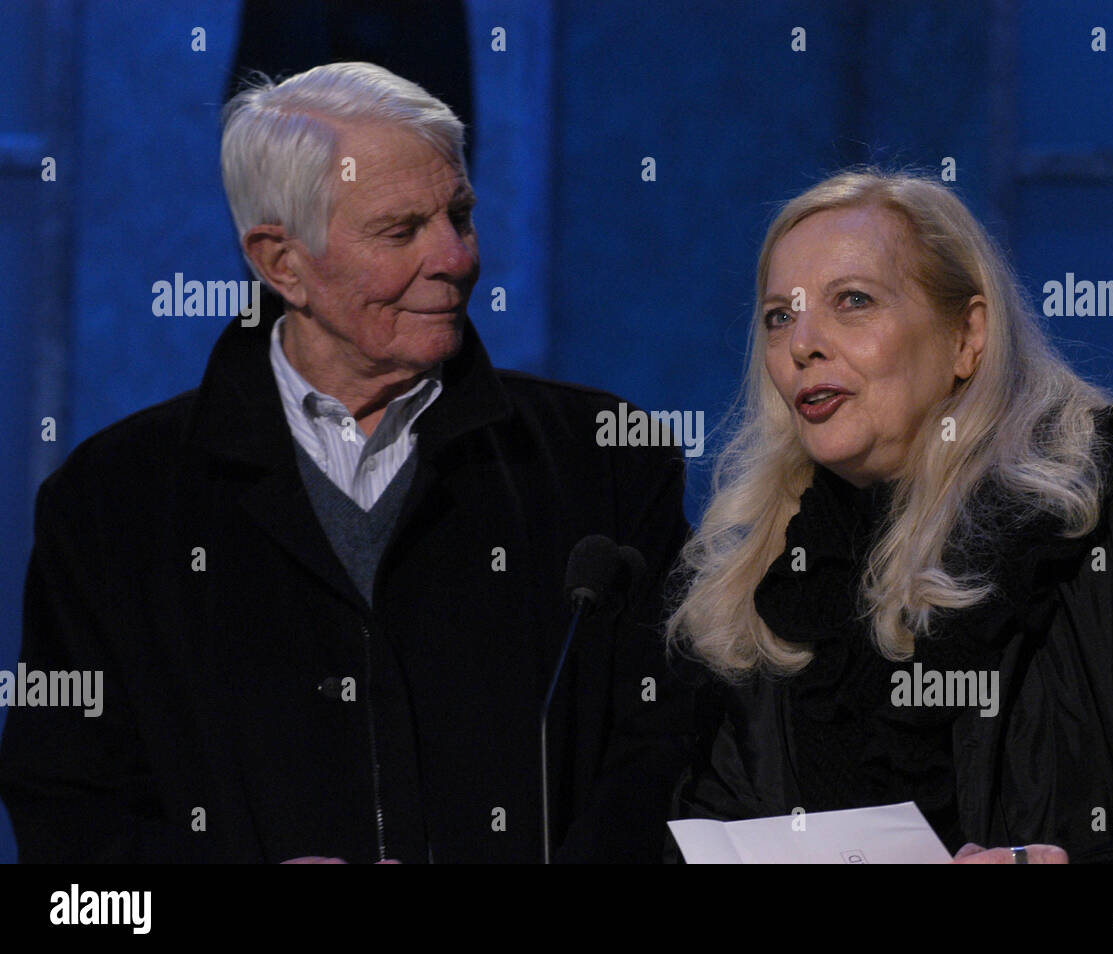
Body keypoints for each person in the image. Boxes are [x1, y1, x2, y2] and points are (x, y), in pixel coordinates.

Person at [0, 62, 694, 863]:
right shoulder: (109, 503)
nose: (456, 258)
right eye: (401, 231)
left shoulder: (605, 460)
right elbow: (71, 847)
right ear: (280, 262)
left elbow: (670, 750)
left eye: (460, 215)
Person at [666, 168, 1113, 863]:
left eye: (852, 300)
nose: (802, 343)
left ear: (968, 335)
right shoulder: (757, 592)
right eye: (778, 315)